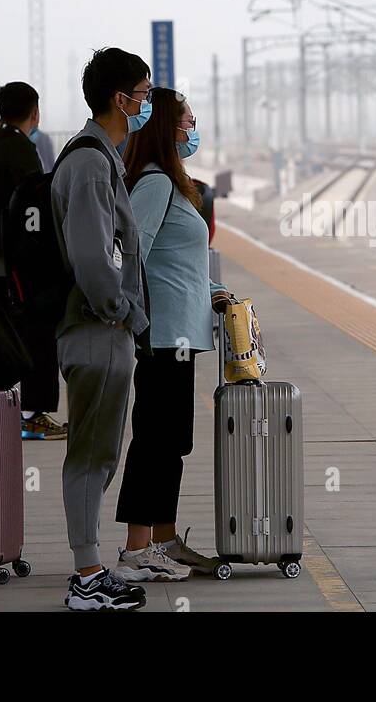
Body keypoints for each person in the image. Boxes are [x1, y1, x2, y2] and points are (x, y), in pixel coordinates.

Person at [114, 88, 231, 582]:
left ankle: (164, 540)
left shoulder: (176, 183)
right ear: (166, 127)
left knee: (173, 441)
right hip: (161, 334)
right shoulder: (156, 183)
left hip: (183, 333)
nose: (192, 130)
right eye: (187, 122)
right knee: (155, 440)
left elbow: (182, 262)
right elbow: (129, 255)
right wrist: (133, 320)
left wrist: (215, 291)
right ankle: (137, 549)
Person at [52, 48, 153, 611]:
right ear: (120, 99)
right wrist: (121, 309)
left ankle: (89, 568)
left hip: (101, 326)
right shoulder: (90, 163)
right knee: (92, 452)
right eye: (140, 94)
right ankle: (87, 576)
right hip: (95, 327)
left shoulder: (98, 158)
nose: (143, 104)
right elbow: (94, 258)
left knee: (99, 451)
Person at [0, 82, 66, 440]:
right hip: (15, 265)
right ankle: (32, 414)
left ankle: (2, 410)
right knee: (37, 334)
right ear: (35, 112)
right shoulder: (21, 149)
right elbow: (31, 211)